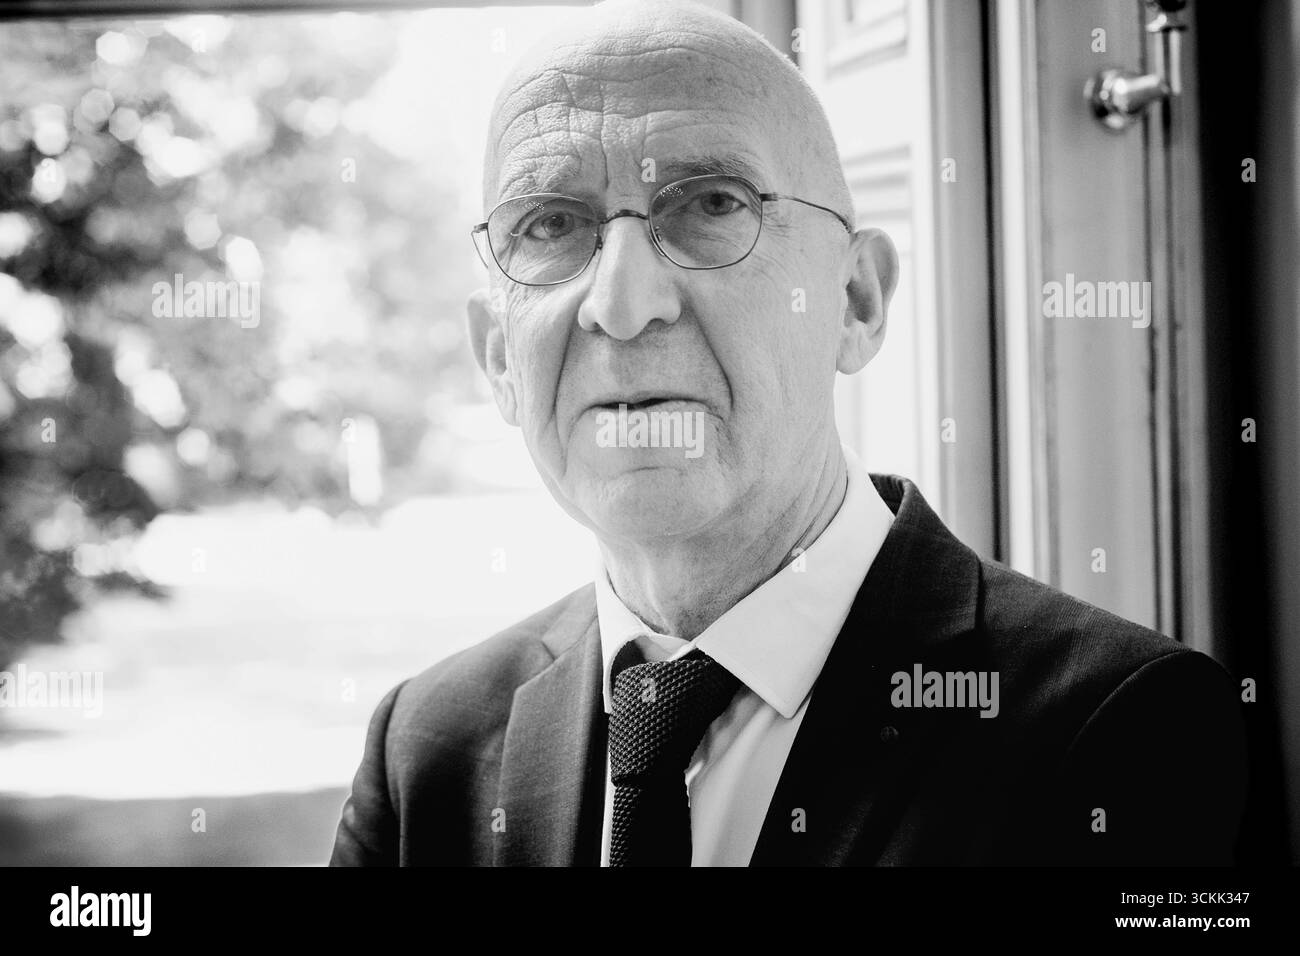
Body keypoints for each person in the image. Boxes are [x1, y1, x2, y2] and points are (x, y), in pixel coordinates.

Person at [330, 0, 1245, 866]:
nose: (621, 303)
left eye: (710, 203)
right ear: (498, 357)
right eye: (552, 223)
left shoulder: (1119, 730)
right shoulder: (425, 753)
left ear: (856, 301)